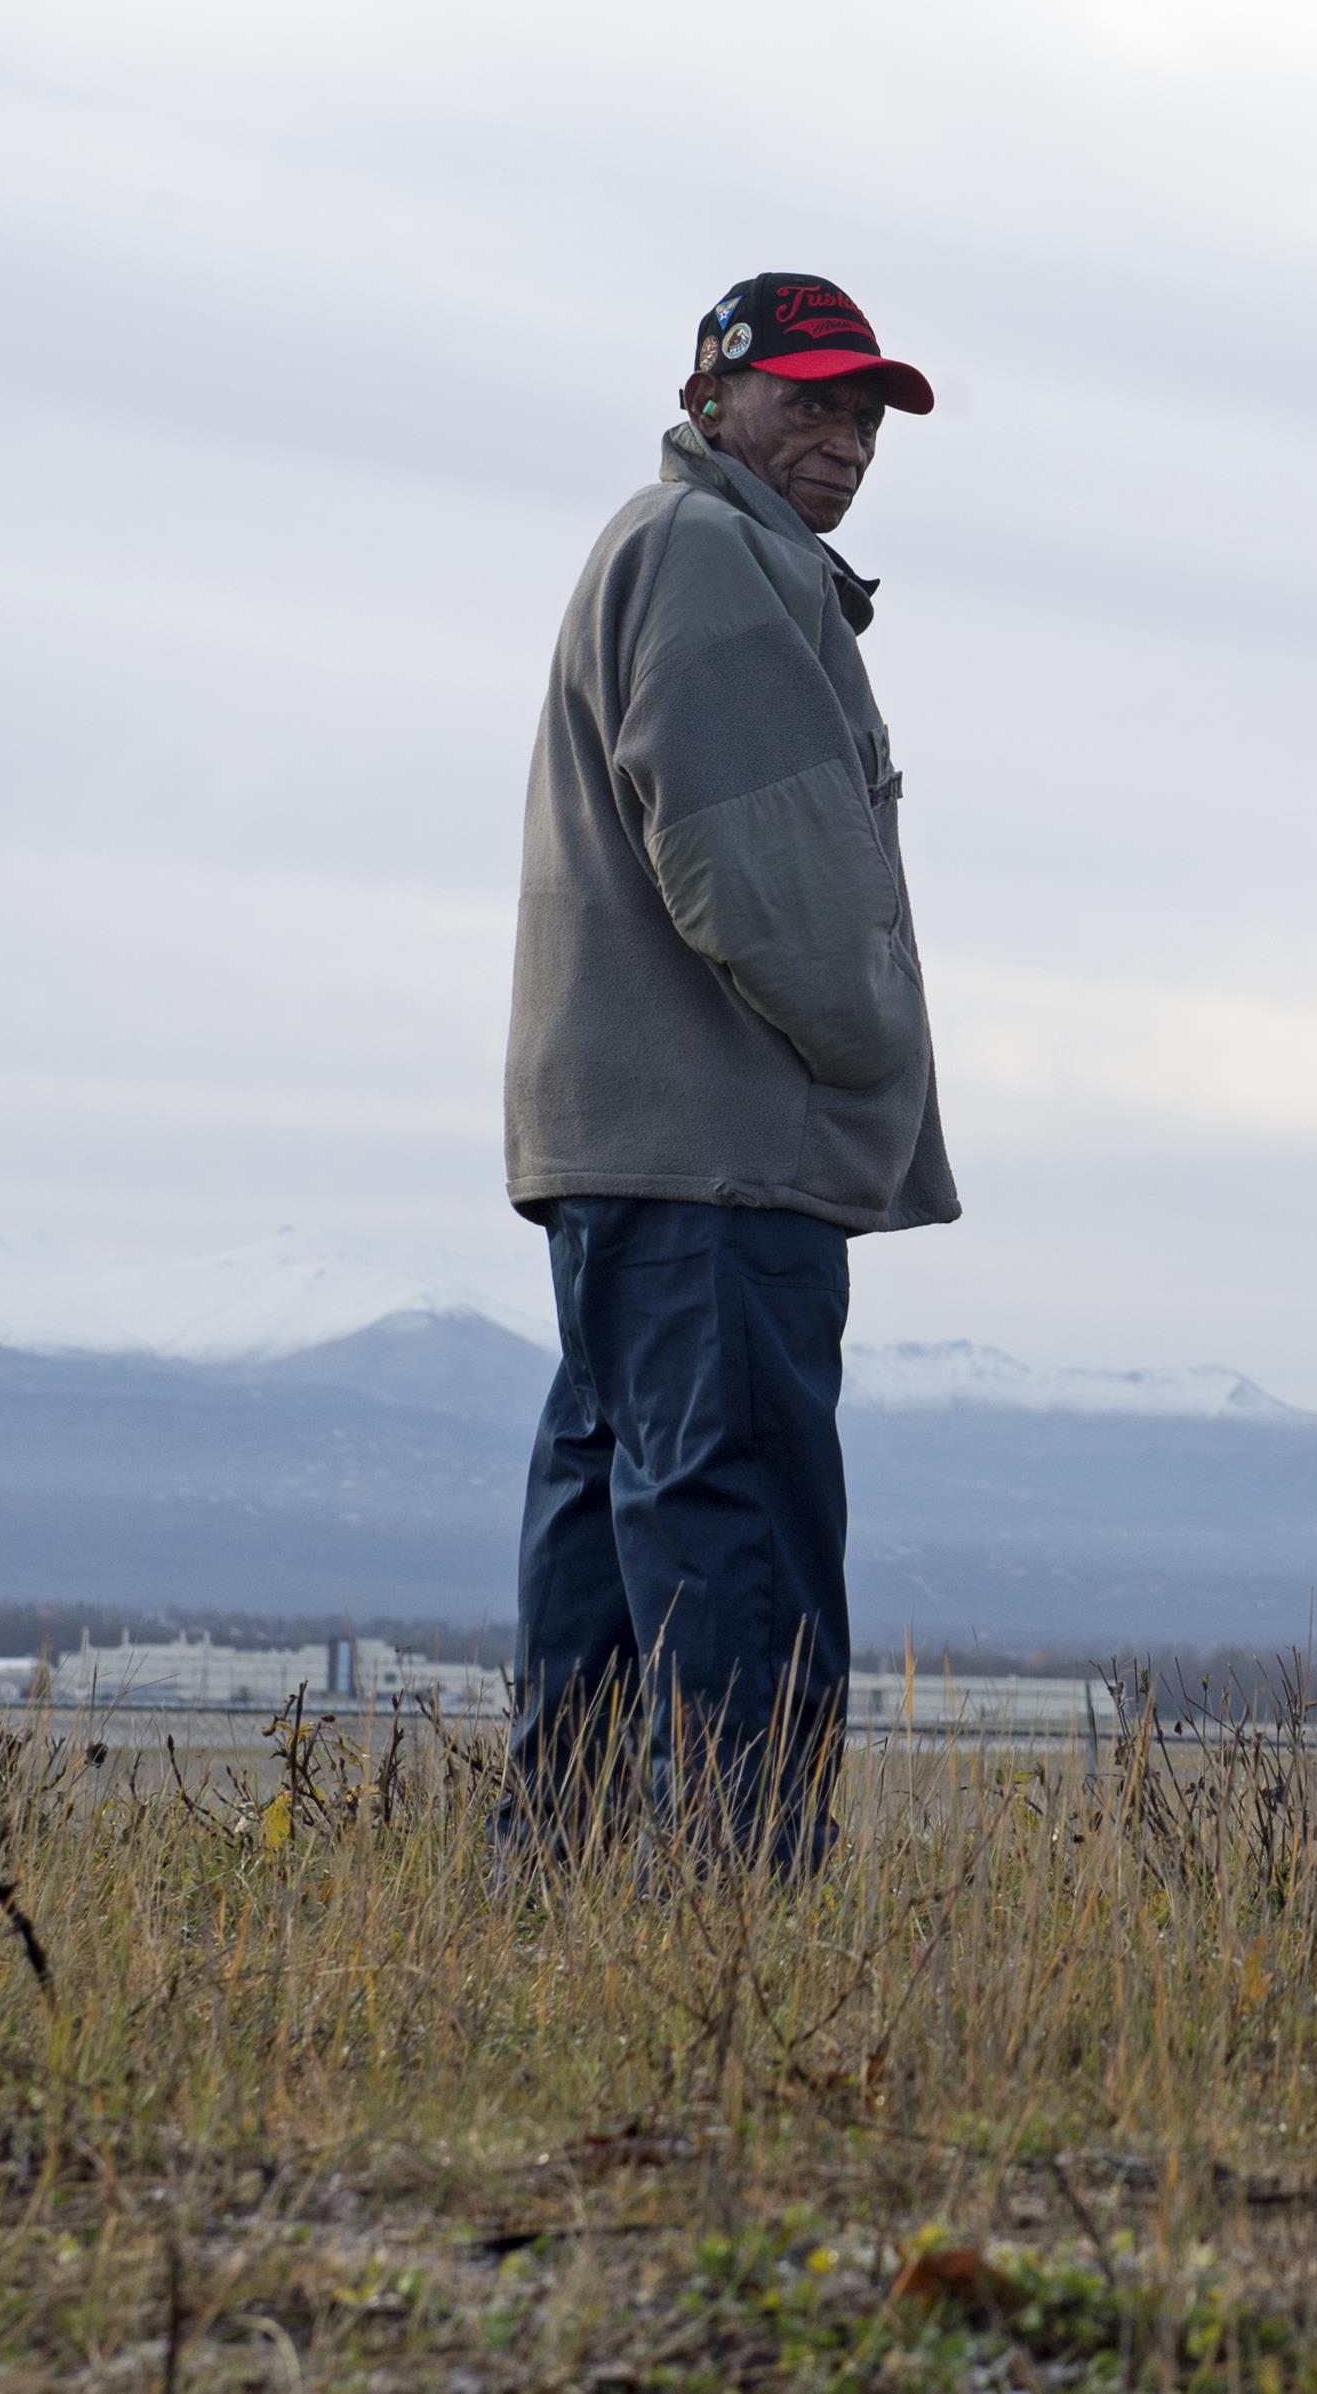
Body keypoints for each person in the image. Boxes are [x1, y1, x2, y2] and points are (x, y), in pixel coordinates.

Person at [498, 270, 957, 1867]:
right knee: (738, 1515)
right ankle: (746, 1897)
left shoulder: (673, 545)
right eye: (808, 400)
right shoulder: (711, 555)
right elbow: (753, 869)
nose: (840, 438)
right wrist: (873, 1046)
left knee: (618, 1519)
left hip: (628, 1146)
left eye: (862, 412)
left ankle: (560, 1876)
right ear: (715, 400)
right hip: (715, 1154)